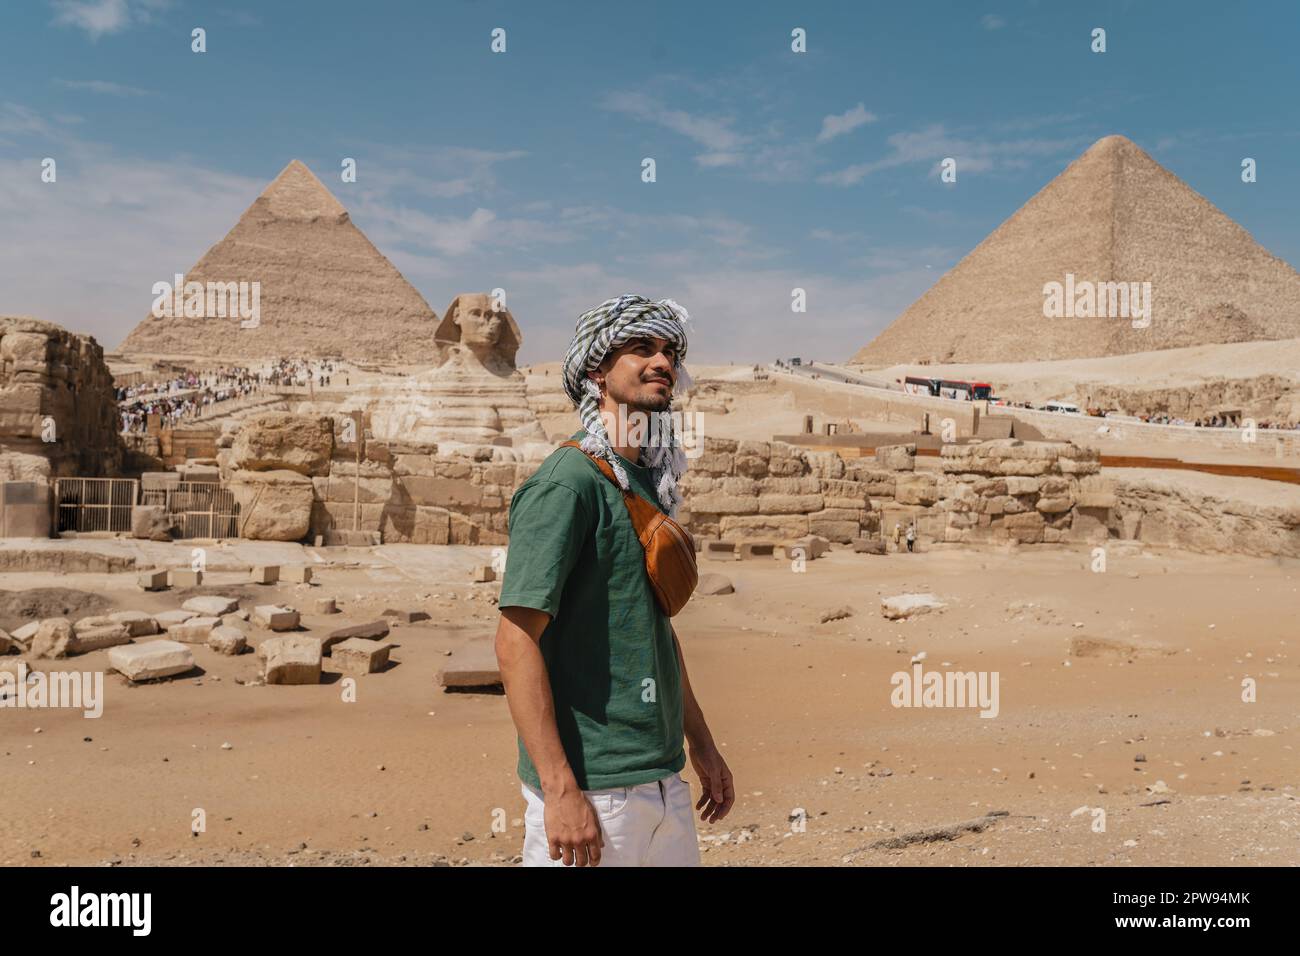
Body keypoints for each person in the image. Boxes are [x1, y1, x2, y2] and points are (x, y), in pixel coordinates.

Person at [494, 294, 733, 868]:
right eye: (641, 347)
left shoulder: (644, 480)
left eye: (670, 350)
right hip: (593, 790)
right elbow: (514, 640)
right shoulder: (567, 483)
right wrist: (559, 790)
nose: (662, 362)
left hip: (660, 780)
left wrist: (701, 744)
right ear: (596, 370)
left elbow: (655, 635)